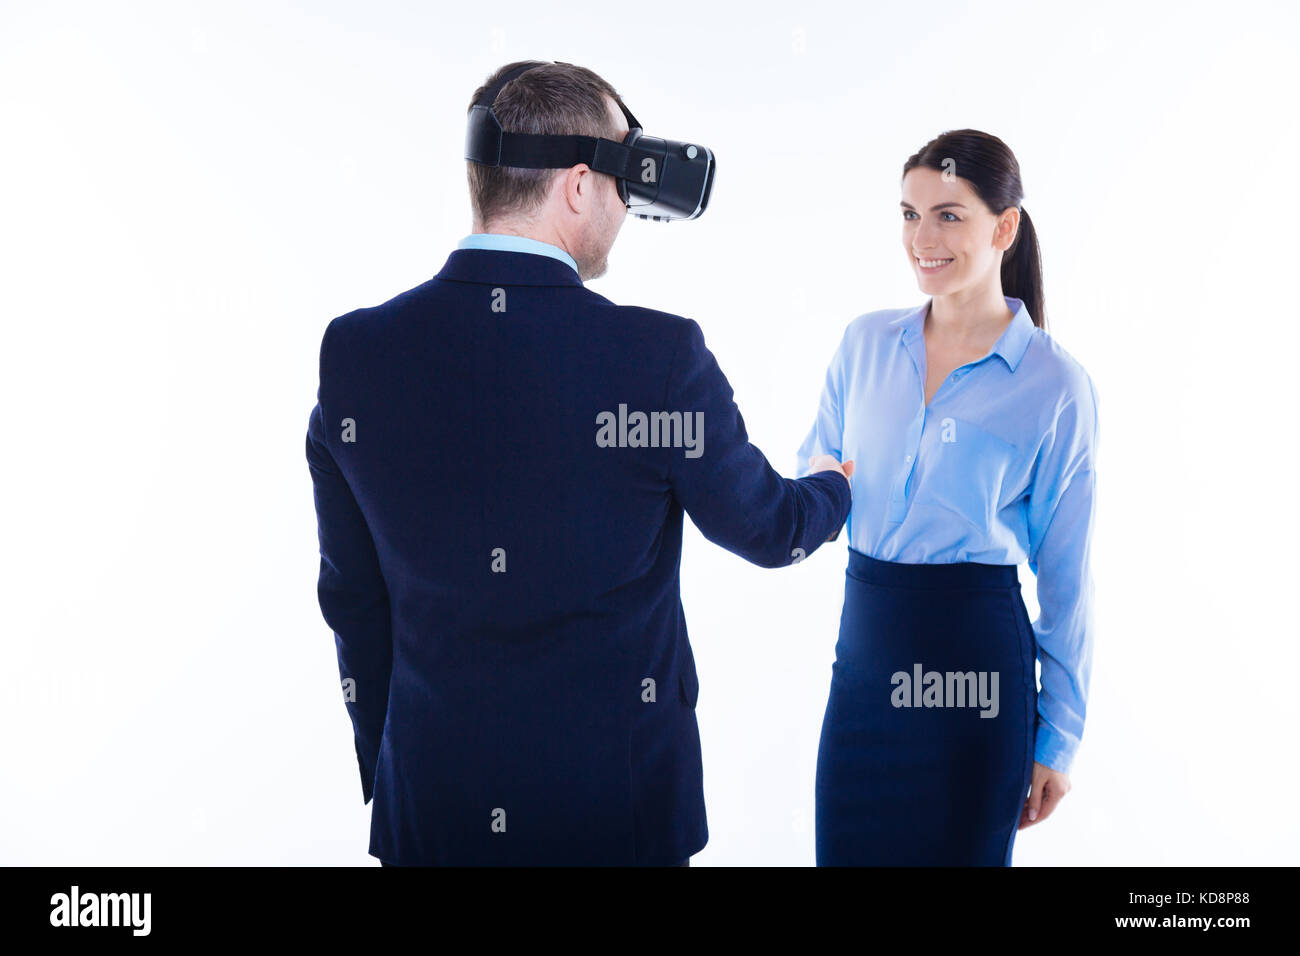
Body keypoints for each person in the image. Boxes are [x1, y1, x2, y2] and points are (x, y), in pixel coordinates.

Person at [305, 60, 853, 866]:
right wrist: (836, 485)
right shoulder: (657, 356)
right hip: (613, 817)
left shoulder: (354, 352)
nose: (628, 208)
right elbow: (771, 528)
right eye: (622, 179)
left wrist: (395, 773)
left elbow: (352, 599)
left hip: (433, 810)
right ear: (575, 185)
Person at [798, 129, 1099, 866]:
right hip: (863, 672)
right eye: (908, 214)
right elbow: (817, 473)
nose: (921, 238)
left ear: (1004, 227)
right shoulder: (864, 344)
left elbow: (1067, 578)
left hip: (975, 683)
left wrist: (1057, 736)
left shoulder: (1056, 385)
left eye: (948, 215)